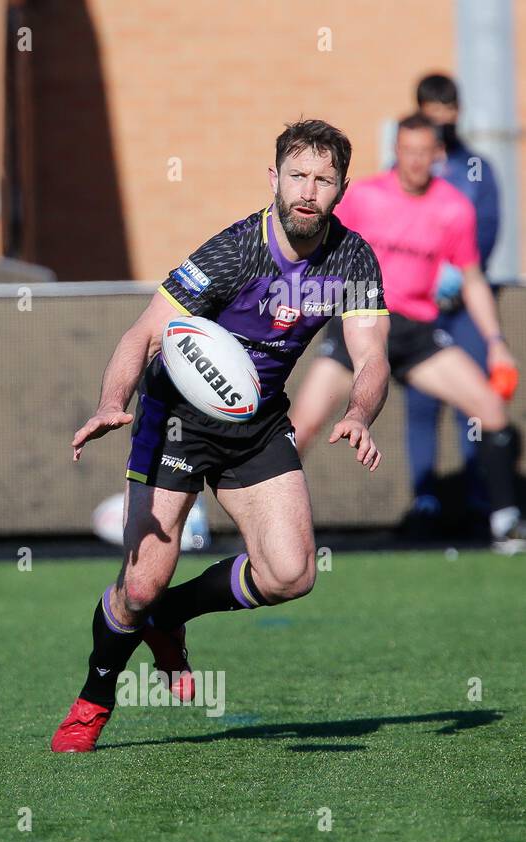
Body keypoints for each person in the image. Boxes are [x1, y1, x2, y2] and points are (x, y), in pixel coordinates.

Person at [51, 119, 390, 753]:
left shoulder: (352, 258)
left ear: (341, 190)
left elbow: (371, 357)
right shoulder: (234, 251)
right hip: (175, 419)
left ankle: (171, 619)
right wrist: (110, 400)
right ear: (274, 179)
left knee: (291, 573)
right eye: (297, 176)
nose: (308, 192)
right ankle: (96, 697)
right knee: (140, 583)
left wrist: (360, 413)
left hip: (257, 424)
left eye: (323, 180)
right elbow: (145, 332)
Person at [290, 114, 525, 553]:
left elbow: (472, 280)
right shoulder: (363, 197)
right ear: (395, 151)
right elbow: (320, 246)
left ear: (437, 154)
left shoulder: (453, 207)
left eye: (424, 152)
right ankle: (277, 530)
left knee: (491, 410)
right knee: (298, 429)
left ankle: (506, 522)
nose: (415, 161)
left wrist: (496, 345)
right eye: (407, 151)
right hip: (358, 326)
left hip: (416, 332)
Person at [404, 74, 513, 533]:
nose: (440, 118)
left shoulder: (476, 168)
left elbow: (484, 228)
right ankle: (426, 502)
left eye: (446, 108)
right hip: (420, 306)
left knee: (476, 399)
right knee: (422, 402)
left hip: (464, 304)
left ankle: (479, 497)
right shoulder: (409, 166)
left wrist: (459, 269)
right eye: (431, 109)